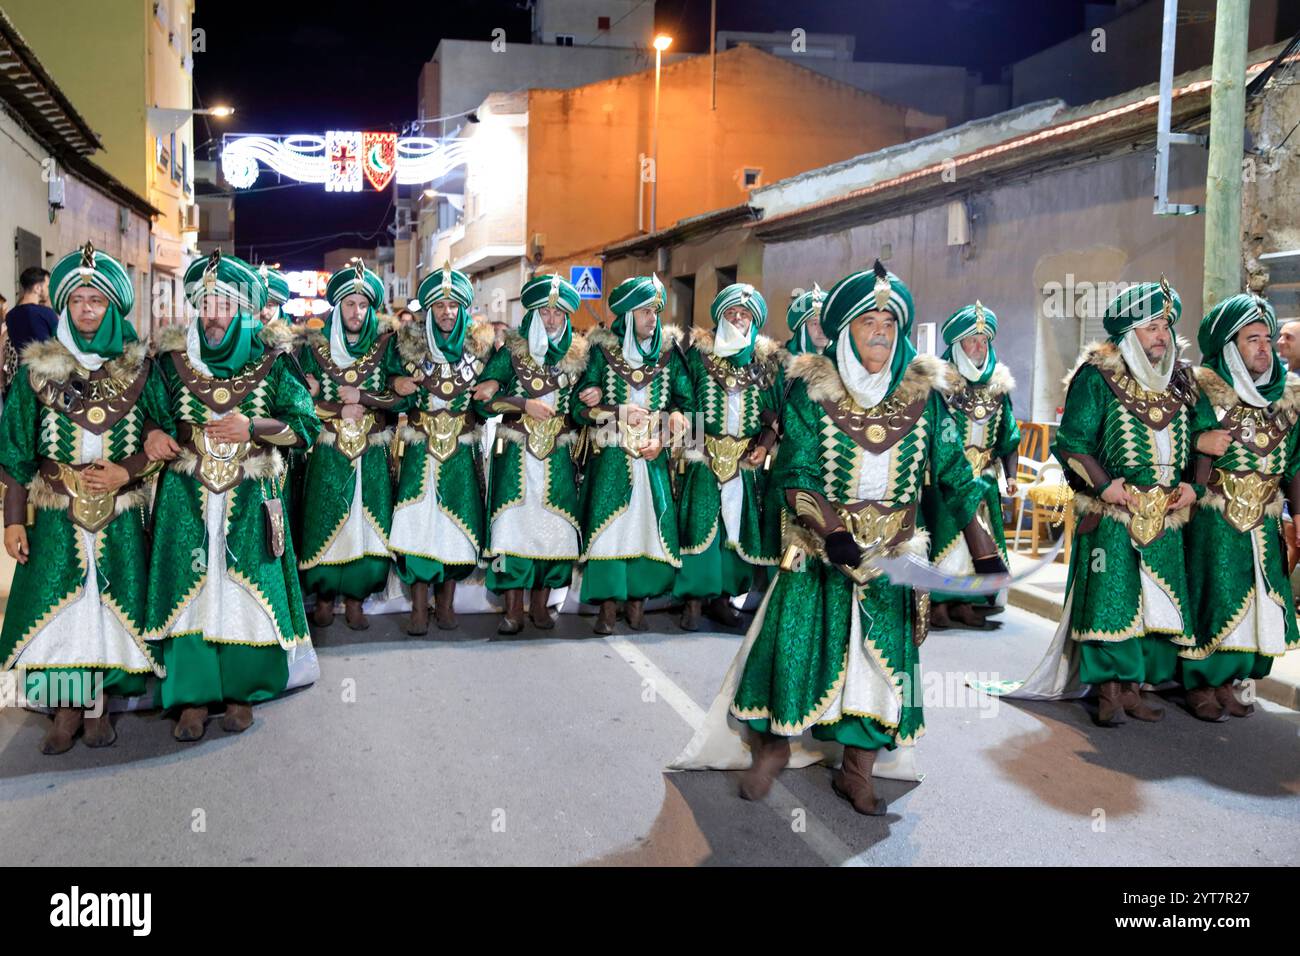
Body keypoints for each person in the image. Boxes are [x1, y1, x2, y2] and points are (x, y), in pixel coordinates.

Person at [680, 261, 1003, 814]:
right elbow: (796, 473)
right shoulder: (812, 391)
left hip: (895, 555)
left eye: (888, 319)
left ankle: (857, 772)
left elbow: (953, 472)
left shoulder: (924, 396)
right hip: (820, 550)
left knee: (878, 668)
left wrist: (983, 546)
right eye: (866, 319)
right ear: (844, 329)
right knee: (791, 649)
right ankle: (773, 747)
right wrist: (831, 535)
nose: (880, 329)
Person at [1000, 279, 1197, 726]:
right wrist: (1105, 485)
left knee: (1153, 606)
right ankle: (1108, 691)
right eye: (1151, 327)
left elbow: (1191, 441)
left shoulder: (1179, 380)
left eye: (1166, 326)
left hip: (1165, 515)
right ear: (1128, 331)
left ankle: (1133, 690)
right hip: (1112, 512)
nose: (1161, 336)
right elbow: (1070, 442)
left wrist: (1191, 487)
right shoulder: (1097, 376)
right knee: (1112, 603)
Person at [0, 244, 171, 753]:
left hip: (117, 513)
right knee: (62, 611)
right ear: (64, 307)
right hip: (55, 512)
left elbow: (163, 434)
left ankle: (97, 707)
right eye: (77, 300)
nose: (87, 309)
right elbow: (14, 451)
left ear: (114, 306)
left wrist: (129, 469)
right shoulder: (38, 372)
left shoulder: (142, 369)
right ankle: (65, 710)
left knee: (105, 608)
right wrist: (12, 520)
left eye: (97, 300)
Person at [145, 251, 320, 742]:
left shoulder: (273, 359)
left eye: (224, 302)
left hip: (250, 493)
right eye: (205, 302)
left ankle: (243, 691)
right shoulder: (170, 359)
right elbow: (149, 414)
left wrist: (255, 427)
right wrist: (152, 435)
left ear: (243, 307)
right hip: (186, 494)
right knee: (192, 592)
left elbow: (305, 426)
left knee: (246, 589)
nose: (214, 313)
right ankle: (193, 698)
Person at [1182, 293, 1300, 719]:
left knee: (1258, 603)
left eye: (1268, 338)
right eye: (1253, 339)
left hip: (1265, 517)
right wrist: (1198, 443)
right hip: (1214, 515)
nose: (1264, 347)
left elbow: (1297, 462)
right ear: (1230, 345)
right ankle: (1201, 683)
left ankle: (1233, 682)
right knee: (1215, 594)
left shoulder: (1287, 397)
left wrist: (1298, 513)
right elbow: (1174, 445)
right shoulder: (1202, 389)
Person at [573, 274, 692, 634]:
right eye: (643, 312)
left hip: (653, 455)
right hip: (611, 455)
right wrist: (608, 407)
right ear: (625, 315)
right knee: (611, 531)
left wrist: (671, 428)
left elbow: (686, 405)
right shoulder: (601, 353)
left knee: (647, 530)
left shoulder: (670, 354)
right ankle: (608, 609)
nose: (651, 318)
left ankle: (638, 604)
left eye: (655, 311)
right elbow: (579, 411)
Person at [475, 275, 590, 634]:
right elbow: (482, 402)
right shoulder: (510, 351)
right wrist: (522, 402)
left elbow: (583, 411)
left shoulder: (580, 356)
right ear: (533, 313)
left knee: (554, 530)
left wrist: (593, 402)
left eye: (558, 313)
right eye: (545, 311)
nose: (552, 319)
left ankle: (540, 606)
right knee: (512, 527)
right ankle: (513, 610)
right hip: (516, 454)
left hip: (558, 455)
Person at [384, 264, 495, 634]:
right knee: (416, 523)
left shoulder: (481, 352)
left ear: (463, 309)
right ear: (428, 309)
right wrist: (398, 386)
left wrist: (489, 397)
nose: (447, 312)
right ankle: (418, 606)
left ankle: (445, 604)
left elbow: (488, 404)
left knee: (455, 525)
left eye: (453, 305)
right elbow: (390, 396)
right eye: (440, 305)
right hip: (419, 450)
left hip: (462, 452)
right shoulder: (405, 348)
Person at [296, 260, 401, 631]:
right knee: (326, 518)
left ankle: (356, 599)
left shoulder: (388, 347)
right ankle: (324, 597)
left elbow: (401, 398)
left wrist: (366, 397)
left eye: (363, 305)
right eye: (349, 304)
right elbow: (299, 402)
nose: (356, 312)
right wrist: (340, 407)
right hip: (328, 451)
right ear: (337, 307)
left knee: (368, 524)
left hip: (371, 451)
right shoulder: (313, 349)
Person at [673, 283, 783, 630]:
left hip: (744, 460)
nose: (738, 318)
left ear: (754, 320)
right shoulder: (699, 355)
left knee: (734, 532)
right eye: (731, 313)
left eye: (745, 314)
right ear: (720, 317)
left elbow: (774, 414)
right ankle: (692, 602)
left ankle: (722, 600)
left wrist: (764, 444)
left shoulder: (764, 362)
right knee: (700, 526)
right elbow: (683, 398)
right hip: (703, 455)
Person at [924, 302, 1020, 629]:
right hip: (945, 480)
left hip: (985, 480)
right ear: (956, 344)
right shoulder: (937, 386)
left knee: (977, 545)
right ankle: (937, 604)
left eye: (984, 340)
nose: (979, 347)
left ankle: (967, 603)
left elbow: (1009, 435)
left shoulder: (998, 387)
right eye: (972, 340)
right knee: (945, 543)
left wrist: (1012, 476)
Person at [6, 267, 58, 356]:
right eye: (47, 286)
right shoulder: (45, 313)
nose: (49, 290)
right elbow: (62, 339)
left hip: (22, 367)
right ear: (37, 288)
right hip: (46, 366)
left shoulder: (10, 315)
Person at [784, 284, 829, 356]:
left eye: (826, 323)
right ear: (802, 329)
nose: (821, 331)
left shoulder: (845, 362)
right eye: (814, 323)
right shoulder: (784, 365)